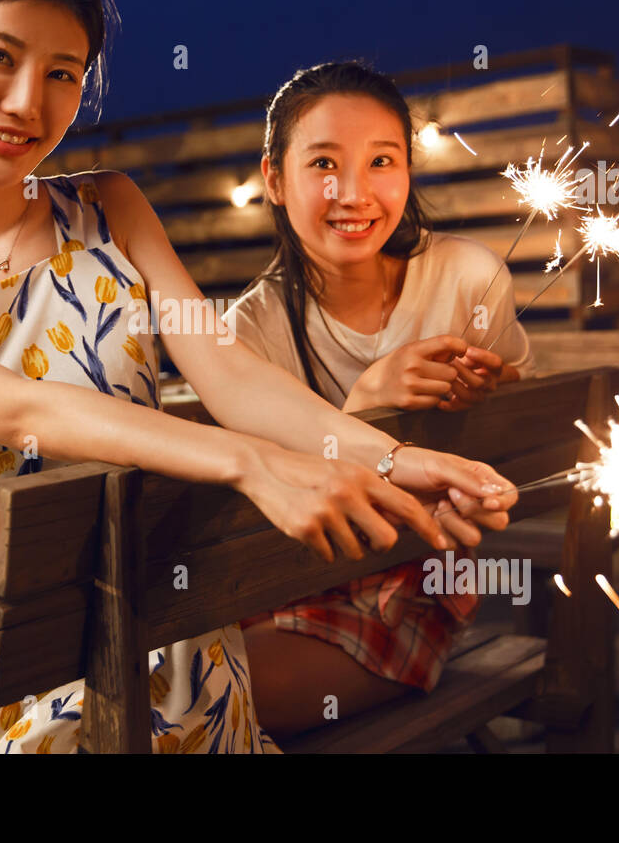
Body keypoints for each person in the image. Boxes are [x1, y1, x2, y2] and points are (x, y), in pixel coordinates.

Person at [0, 0, 516, 755]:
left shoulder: (112, 209)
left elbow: (225, 366)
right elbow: (28, 408)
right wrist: (249, 461)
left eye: (63, 74)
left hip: (152, 621)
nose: (29, 104)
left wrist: (383, 456)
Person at [223, 60, 535, 739]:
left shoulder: (467, 276)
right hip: (279, 583)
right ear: (274, 179)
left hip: (411, 589)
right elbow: (267, 501)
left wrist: (483, 386)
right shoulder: (248, 330)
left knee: (197, 703)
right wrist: (368, 402)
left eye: (382, 161)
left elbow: (517, 399)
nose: (354, 193)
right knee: (185, 683)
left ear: (409, 173)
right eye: (324, 163)